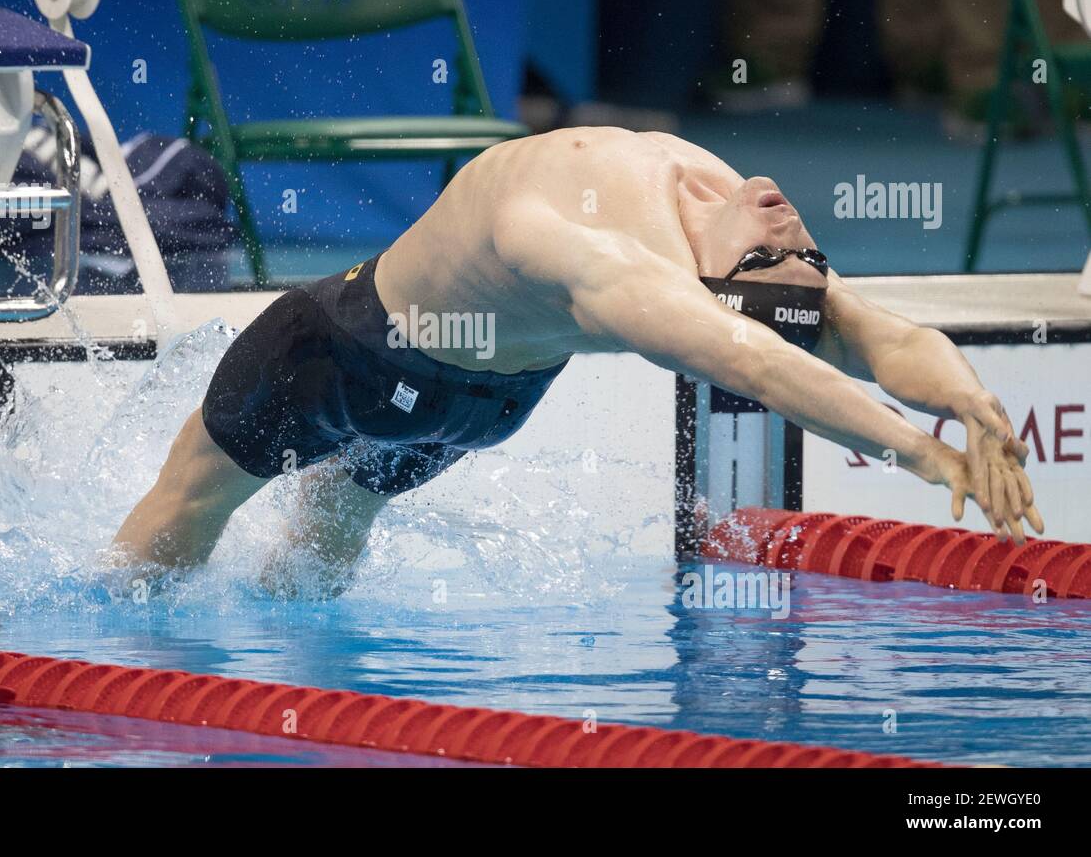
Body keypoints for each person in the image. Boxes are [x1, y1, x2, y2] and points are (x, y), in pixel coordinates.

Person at [113, 127, 1041, 596]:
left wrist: (921, 455)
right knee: (333, 526)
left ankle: (132, 674)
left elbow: (758, 367)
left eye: (769, 255)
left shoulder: (617, 267)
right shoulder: (726, 218)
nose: (787, 224)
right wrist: (975, 405)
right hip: (483, 402)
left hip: (347, 349)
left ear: (712, 292)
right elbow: (884, 337)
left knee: (187, 501)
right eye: (804, 251)